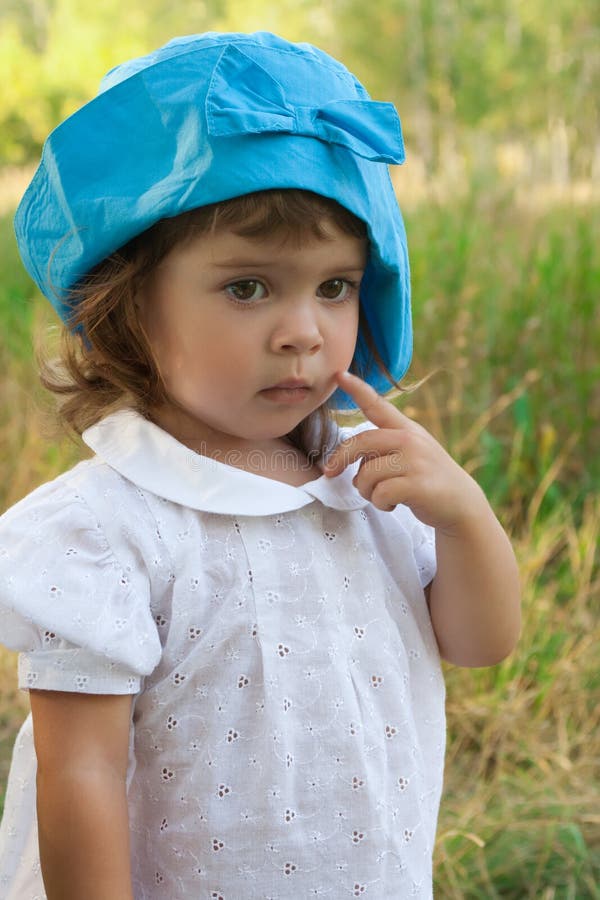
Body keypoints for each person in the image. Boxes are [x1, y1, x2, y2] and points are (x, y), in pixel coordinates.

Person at [0, 31, 521, 900]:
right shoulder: (106, 530)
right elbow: (79, 775)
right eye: (248, 288)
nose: (303, 332)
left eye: (335, 287)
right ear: (127, 304)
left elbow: (481, 641)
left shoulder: (369, 480)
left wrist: (466, 517)